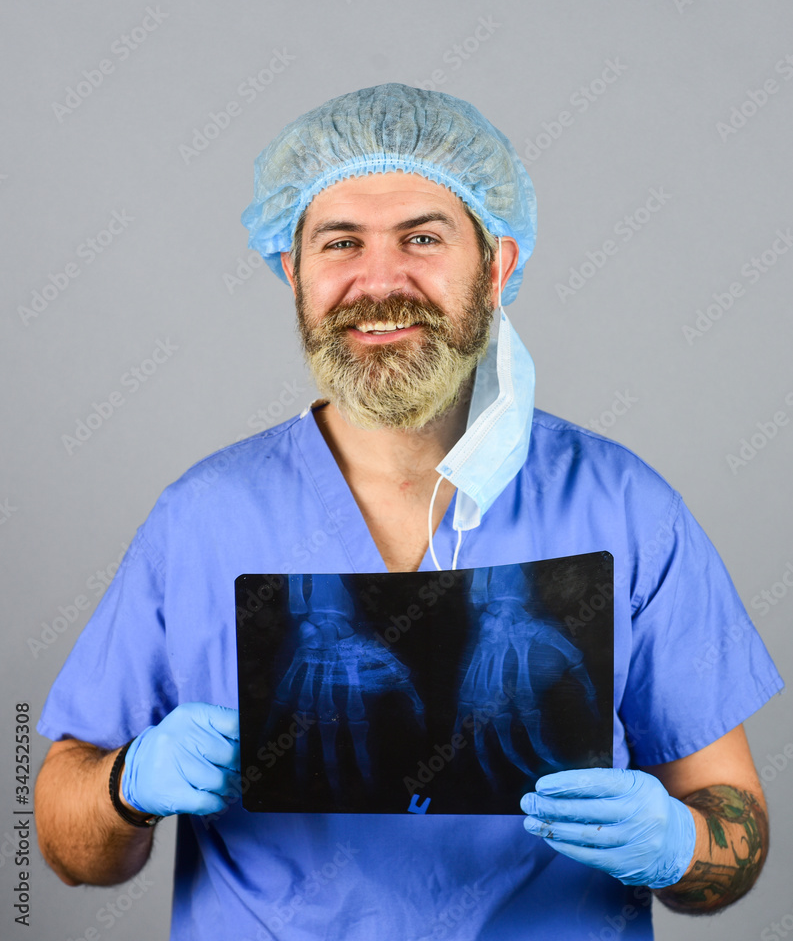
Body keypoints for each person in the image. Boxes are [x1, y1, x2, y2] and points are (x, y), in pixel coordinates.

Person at [35, 83, 783, 940]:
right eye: (340, 242)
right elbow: (65, 845)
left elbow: (731, 835)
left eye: (422, 238)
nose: (380, 280)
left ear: (495, 266)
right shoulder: (201, 519)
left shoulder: (624, 508)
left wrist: (679, 846)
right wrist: (126, 784)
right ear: (293, 269)